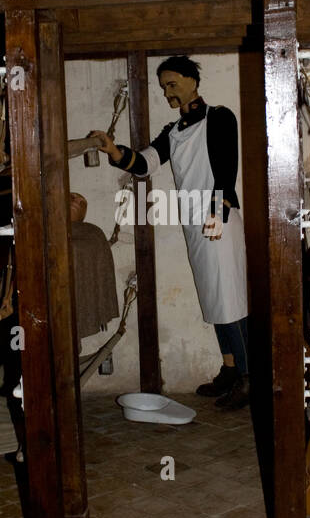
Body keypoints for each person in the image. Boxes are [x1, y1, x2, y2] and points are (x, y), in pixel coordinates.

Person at [88, 55, 250, 410]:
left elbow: (227, 168)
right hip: (194, 222)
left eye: (172, 84)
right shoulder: (173, 132)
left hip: (216, 218)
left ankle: (247, 377)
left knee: (231, 299)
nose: (167, 93)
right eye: (163, 87)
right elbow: (145, 164)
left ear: (193, 81)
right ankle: (230, 369)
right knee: (214, 299)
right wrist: (113, 150)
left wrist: (216, 214)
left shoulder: (220, 117)